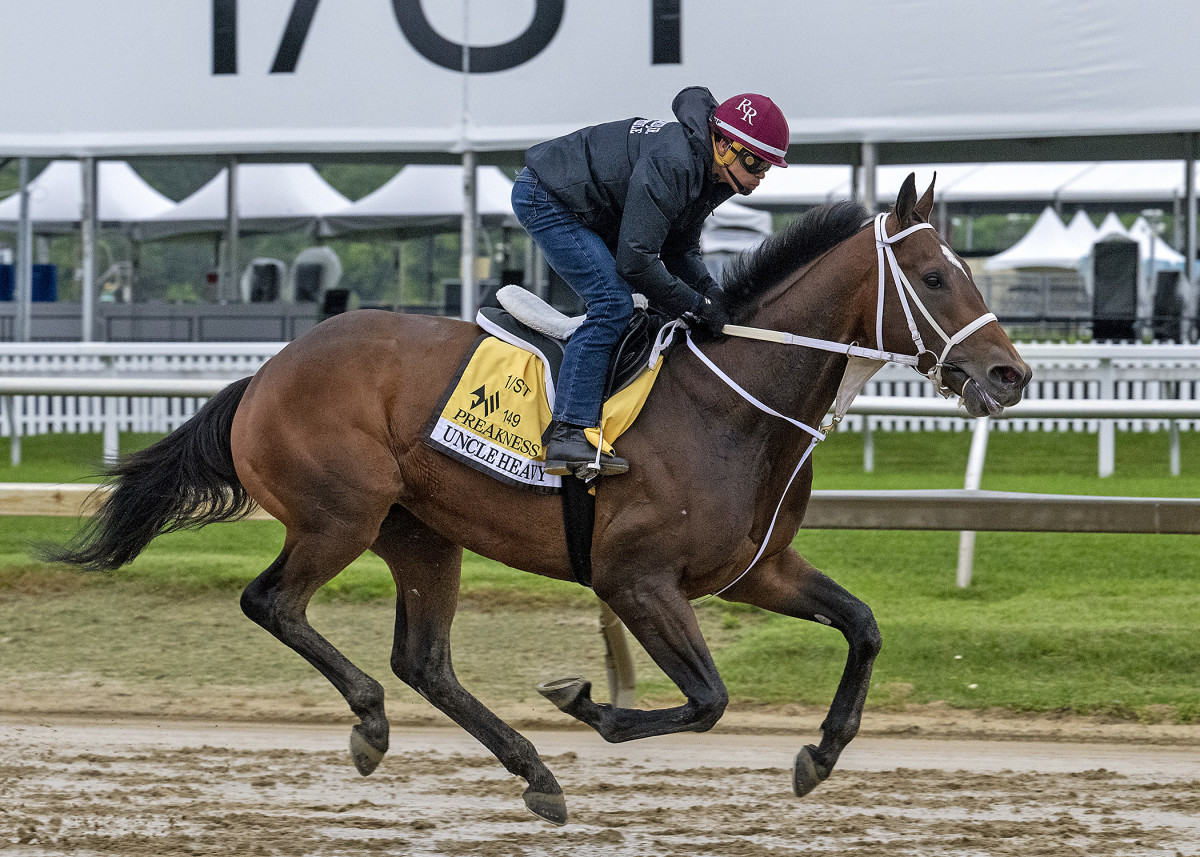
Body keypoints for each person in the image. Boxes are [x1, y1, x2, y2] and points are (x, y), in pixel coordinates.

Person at [511, 87, 790, 479]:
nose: (761, 177)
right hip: (546, 197)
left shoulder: (714, 172)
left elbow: (679, 249)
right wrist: (697, 306)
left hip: (592, 205)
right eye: (757, 164)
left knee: (654, 307)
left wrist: (713, 294)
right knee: (613, 304)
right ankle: (568, 431)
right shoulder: (675, 162)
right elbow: (636, 262)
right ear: (726, 145)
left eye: (767, 169)